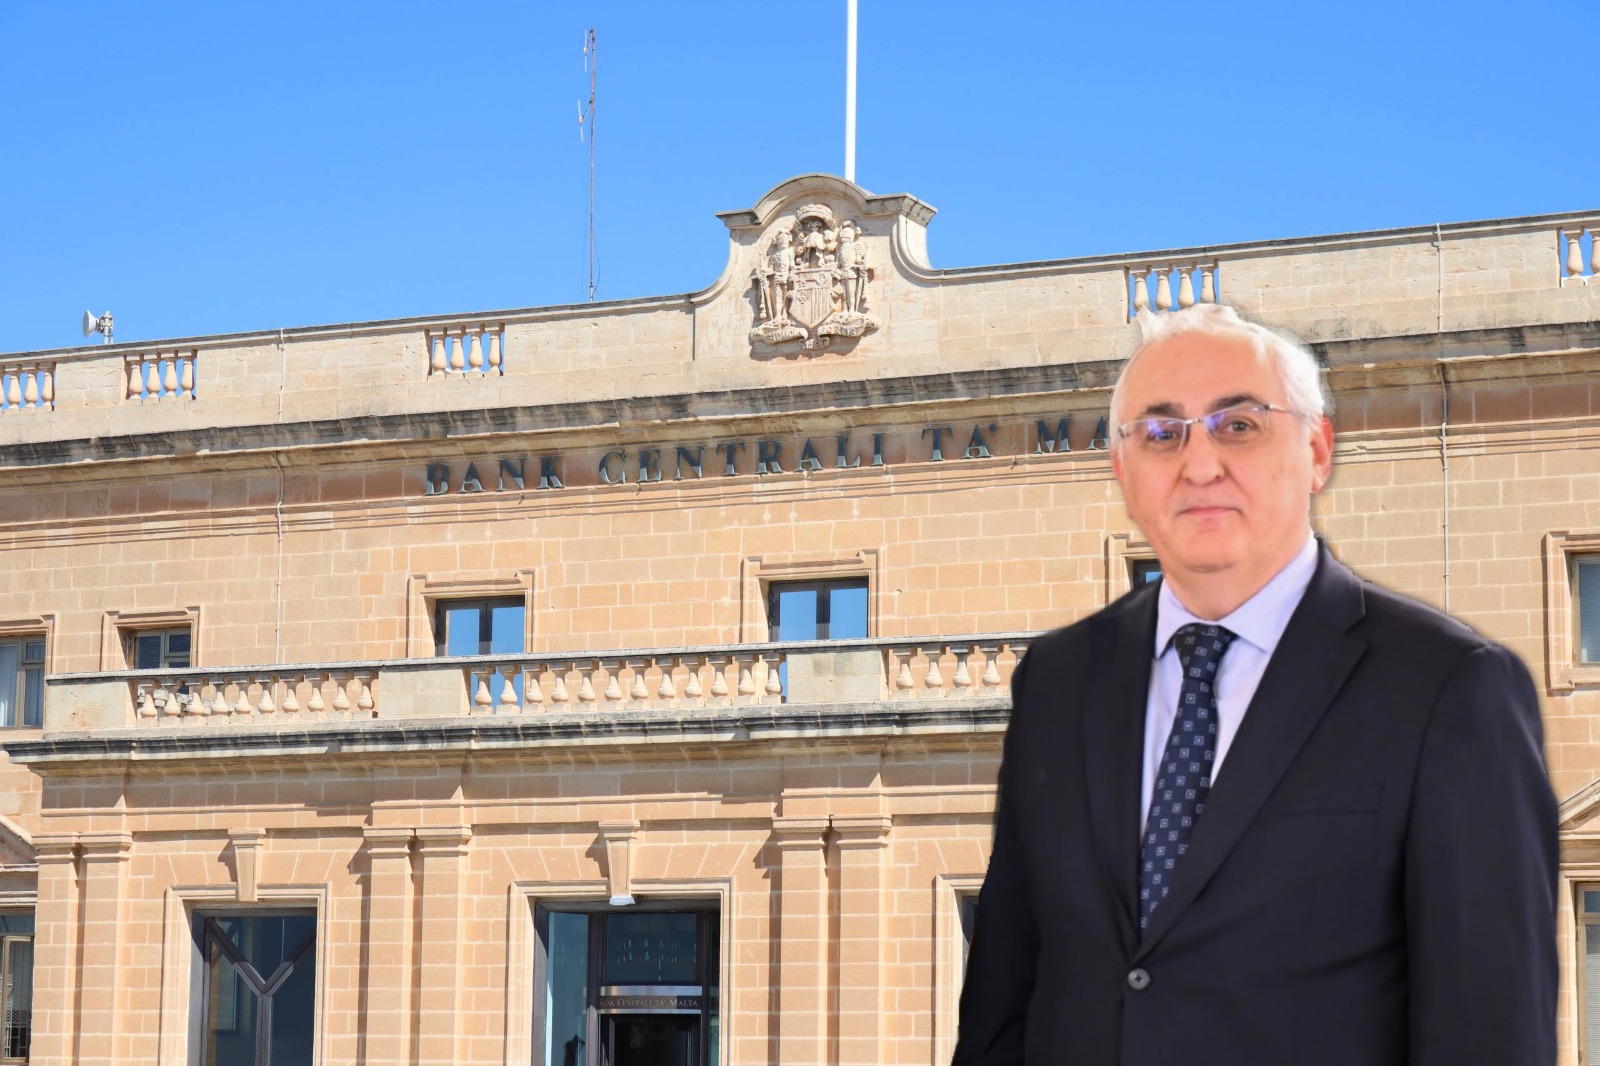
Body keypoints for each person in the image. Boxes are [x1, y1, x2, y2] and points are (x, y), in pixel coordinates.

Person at [953, 304, 1557, 1065]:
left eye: (1238, 425)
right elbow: (1004, 1004)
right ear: (1123, 471)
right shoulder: (1057, 681)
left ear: (1317, 450)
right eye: (1162, 432)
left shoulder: (1449, 687)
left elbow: (1489, 1035)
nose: (1200, 464)